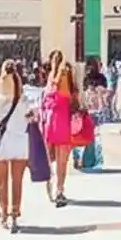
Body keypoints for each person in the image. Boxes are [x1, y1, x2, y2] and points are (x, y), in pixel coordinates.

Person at [0, 60, 33, 232]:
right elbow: (30, 116)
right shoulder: (22, 96)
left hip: (3, 141)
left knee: (2, 180)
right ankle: (15, 213)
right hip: (20, 141)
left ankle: (3, 214)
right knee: (17, 180)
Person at [41, 59, 82, 207]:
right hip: (63, 125)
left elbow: (44, 105)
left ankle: (52, 187)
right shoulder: (69, 88)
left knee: (50, 159)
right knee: (62, 160)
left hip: (53, 125)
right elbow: (77, 103)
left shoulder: (52, 88)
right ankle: (59, 189)